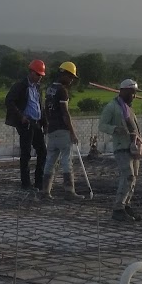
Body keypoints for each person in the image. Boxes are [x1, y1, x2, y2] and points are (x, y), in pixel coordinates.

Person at [98, 78, 142, 221]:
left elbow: (135, 128)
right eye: (132, 92)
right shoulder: (112, 107)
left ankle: (126, 204)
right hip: (121, 147)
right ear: (123, 91)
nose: (134, 96)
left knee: (133, 178)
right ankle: (118, 208)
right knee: (128, 176)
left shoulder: (128, 109)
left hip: (133, 148)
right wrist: (115, 129)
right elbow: (102, 125)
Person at [5, 59, 47, 191]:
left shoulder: (37, 88)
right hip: (26, 123)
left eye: (41, 75)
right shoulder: (20, 86)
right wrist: (20, 116)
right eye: (38, 75)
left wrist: (45, 123)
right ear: (31, 72)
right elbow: (9, 101)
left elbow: (41, 107)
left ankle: (39, 182)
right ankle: (26, 183)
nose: (40, 78)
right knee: (26, 153)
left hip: (36, 123)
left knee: (42, 152)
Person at [42, 61, 82, 199]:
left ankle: (45, 191)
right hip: (62, 130)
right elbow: (65, 113)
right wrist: (72, 132)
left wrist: (47, 125)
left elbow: (45, 109)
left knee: (50, 161)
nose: (71, 80)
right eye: (70, 77)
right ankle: (69, 191)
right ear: (64, 74)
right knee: (66, 160)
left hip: (52, 130)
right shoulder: (62, 91)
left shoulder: (49, 89)